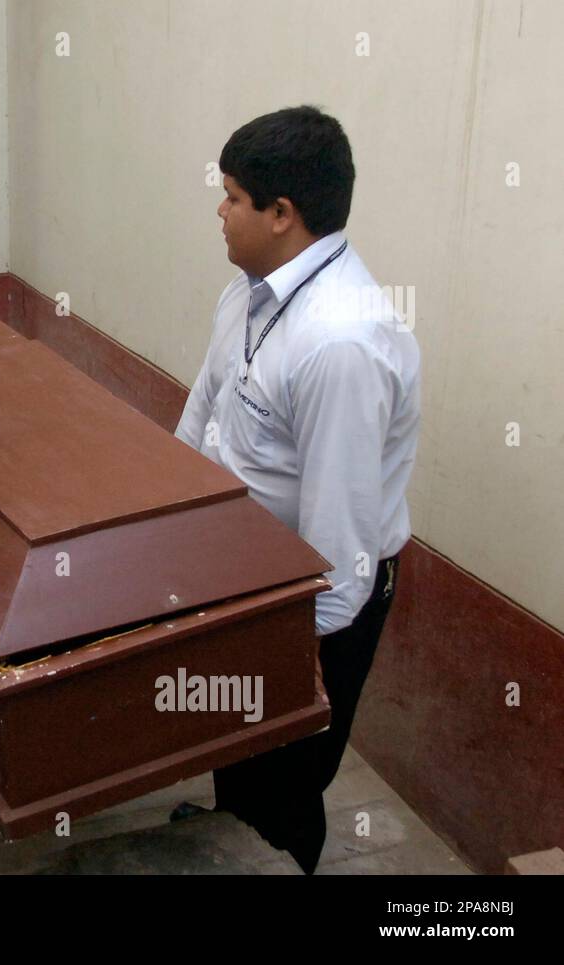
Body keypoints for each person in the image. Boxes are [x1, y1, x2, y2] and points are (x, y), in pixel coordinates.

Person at [172, 106, 421, 874]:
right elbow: (202, 414)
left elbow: (340, 559)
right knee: (235, 744)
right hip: (244, 574)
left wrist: (292, 657)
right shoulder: (247, 293)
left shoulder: (341, 341)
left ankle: (274, 854)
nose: (219, 209)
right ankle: (227, 832)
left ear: (282, 214)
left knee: (286, 777)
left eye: (233, 197)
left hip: (311, 602)